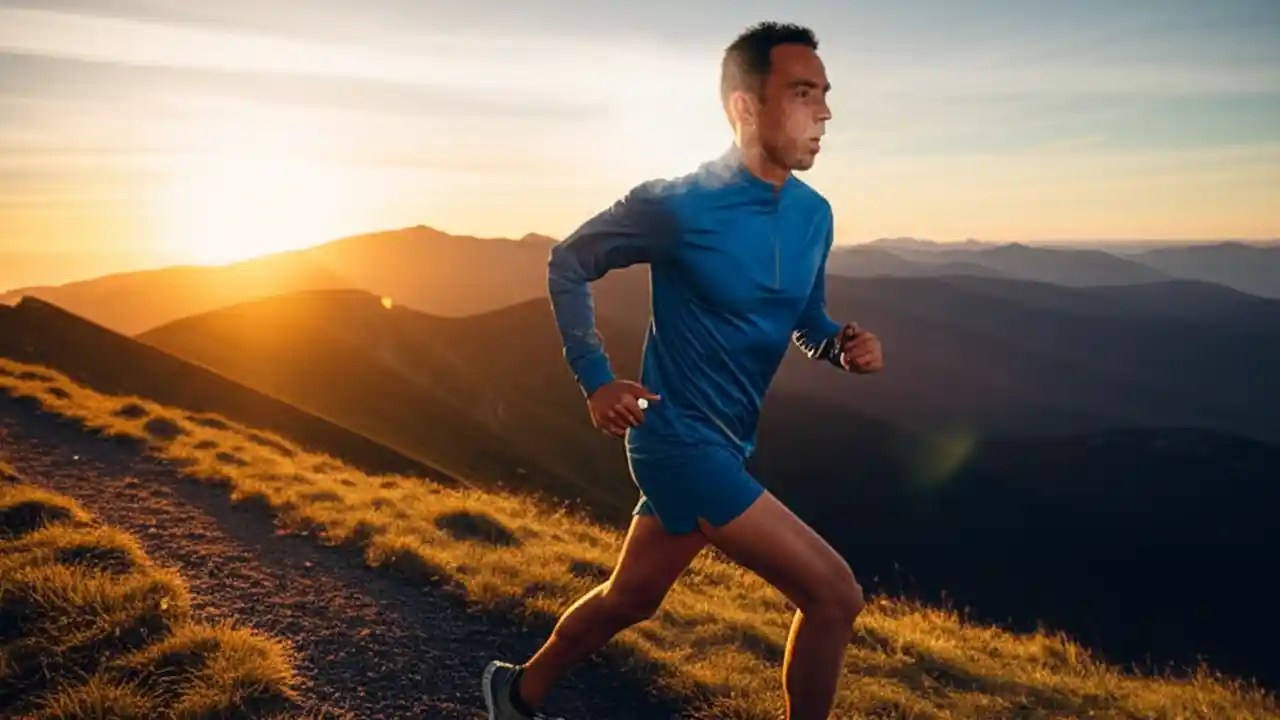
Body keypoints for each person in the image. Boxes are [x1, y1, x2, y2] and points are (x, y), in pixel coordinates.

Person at [482, 20, 884, 720]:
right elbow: (568, 262)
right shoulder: (678, 205)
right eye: (802, 92)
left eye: (824, 94)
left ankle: (518, 691)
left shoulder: (815, 215)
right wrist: (596, 377)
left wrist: (839, 346)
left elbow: (805, 320)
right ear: (745, 107)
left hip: (728, 441)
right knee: (833, 595)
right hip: (677, 442)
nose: (824, 112)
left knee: (629, 599)